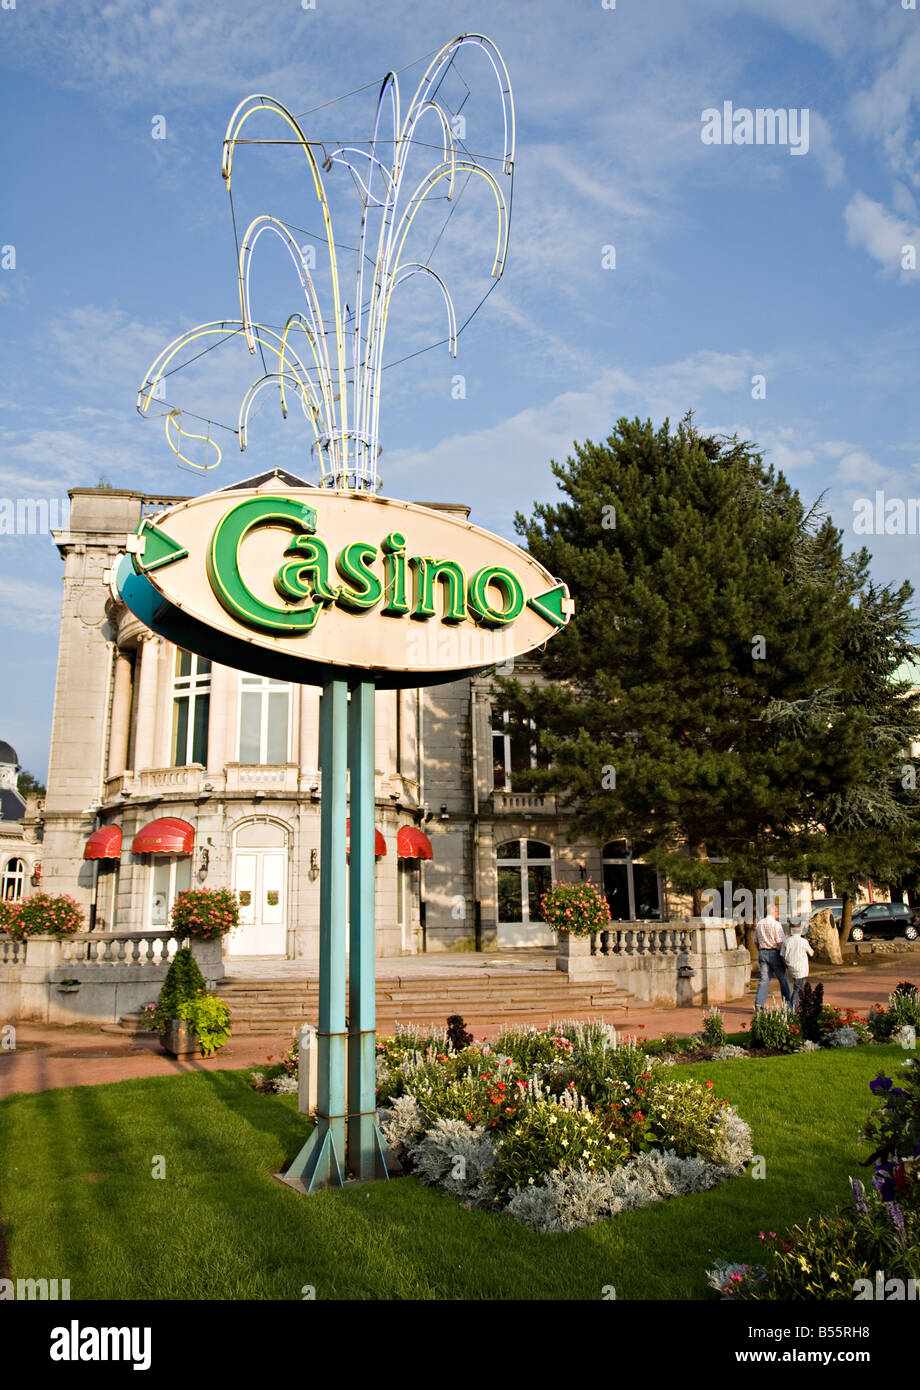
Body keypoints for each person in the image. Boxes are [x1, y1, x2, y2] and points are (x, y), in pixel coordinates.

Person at [753, 904, 791, 1010]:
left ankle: (759, 1003)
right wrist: (784, 956)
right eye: (777, 912)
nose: (777, 914)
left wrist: (760, 950)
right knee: (783, 979)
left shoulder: (759, 924)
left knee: (764, 979)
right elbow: (780, 942)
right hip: (774, 952)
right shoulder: (776, 924)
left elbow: (755, 940)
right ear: (774, 912)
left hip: (762, 952)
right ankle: (788, 1003)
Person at [781, 922, 814, 1010]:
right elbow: (811, 953)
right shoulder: (803, 941)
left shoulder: (786, 941)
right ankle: (791, 1007)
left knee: (798, 986)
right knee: (799, 988)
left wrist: (786, 965)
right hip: (802, 968)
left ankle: (793, 1005)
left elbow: (782, 955)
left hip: (791, 967)